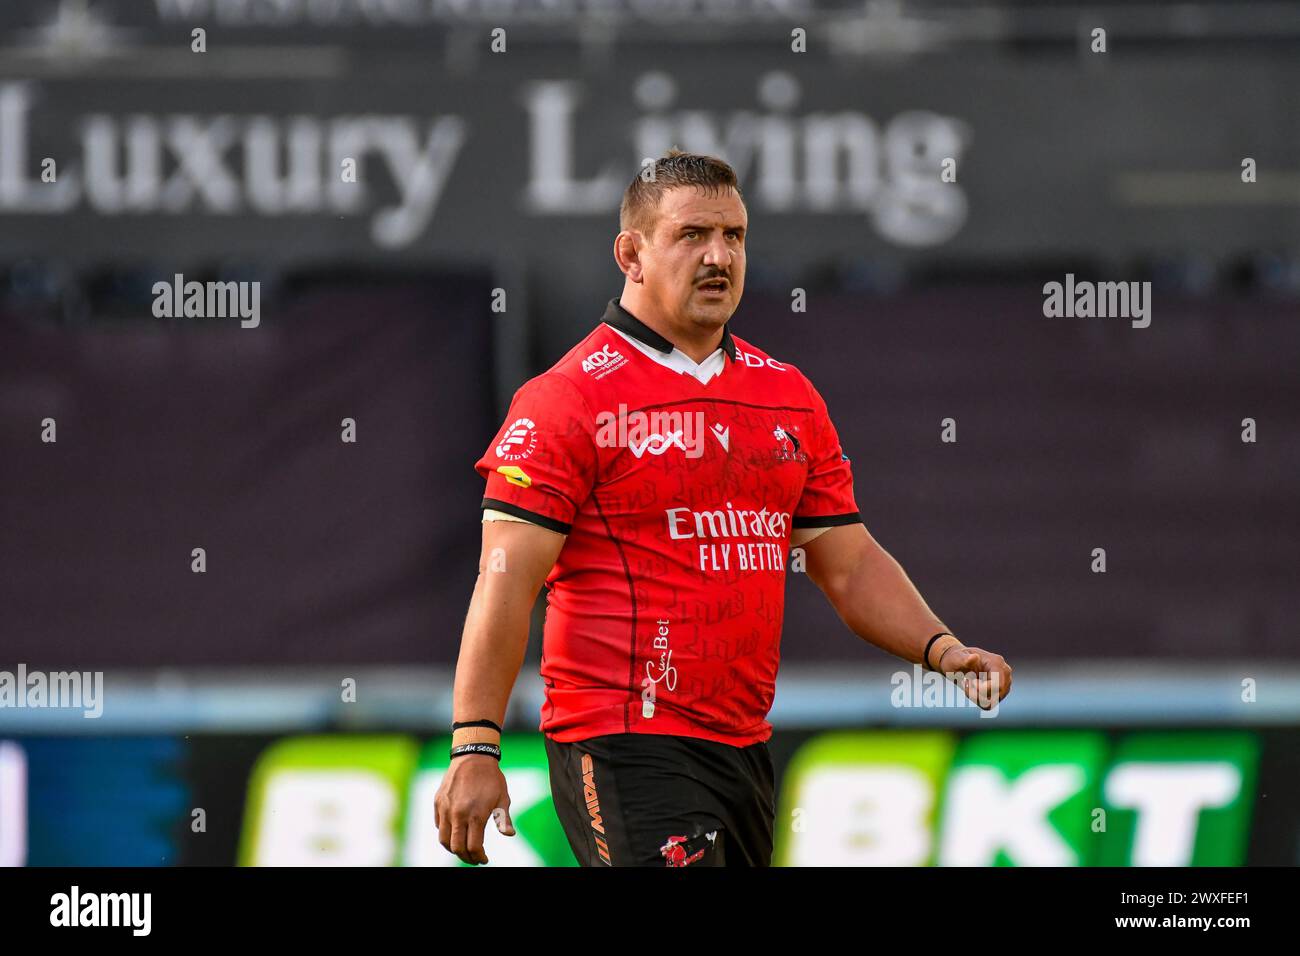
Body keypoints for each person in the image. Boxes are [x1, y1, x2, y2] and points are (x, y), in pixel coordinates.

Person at [434, 148, 1012, 867]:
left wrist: (943, 650)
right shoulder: (569, 398)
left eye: (733, 237)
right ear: (631, 252)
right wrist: (475, 745)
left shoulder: (787, 396)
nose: (719, 256)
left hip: (741, 749)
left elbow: (848, 562)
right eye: (693, 235)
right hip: (622, 741)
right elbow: (504, 579)